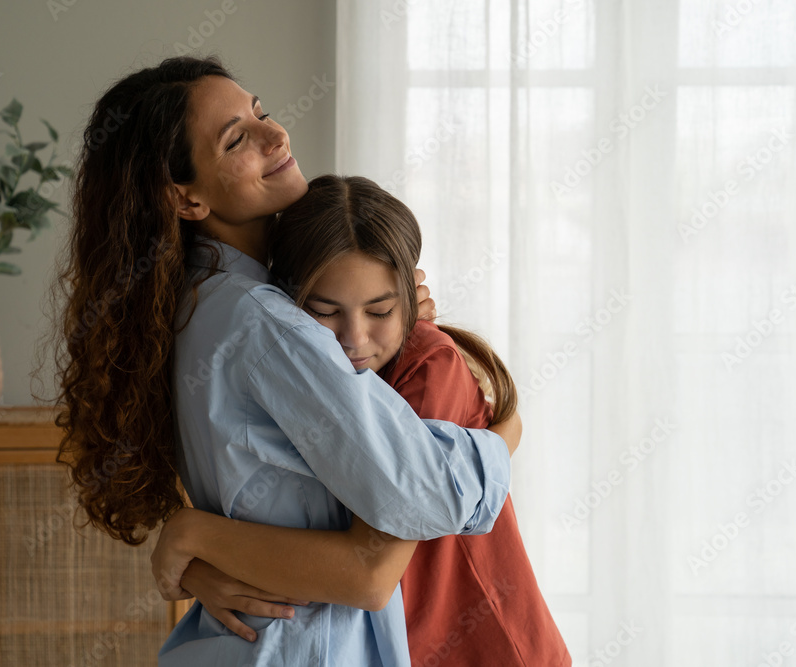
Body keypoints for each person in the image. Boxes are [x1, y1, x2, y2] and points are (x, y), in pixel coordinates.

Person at [49, 55, 517, 666]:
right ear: (185, 197)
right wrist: (505, 434)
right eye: (237, 138)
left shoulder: (193, 303)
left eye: (261, 112)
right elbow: (418, 506)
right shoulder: (265, 323)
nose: (276, 135)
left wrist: (196, 543)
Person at [152, 175, 570, 666]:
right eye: (324, 312)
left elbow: (371, 569)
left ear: (411, 297)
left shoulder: (428, 368)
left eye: (380, 311)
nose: (353, 339)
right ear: (288, 303)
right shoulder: (305, 370)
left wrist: (505, 436)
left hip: (488, 645)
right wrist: (196, 556)